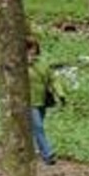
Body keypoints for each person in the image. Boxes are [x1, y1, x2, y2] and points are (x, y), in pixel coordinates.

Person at [25, 36, 63, 164]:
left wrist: (60, 93)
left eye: (33, 48)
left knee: (36, 127)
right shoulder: (19, 64)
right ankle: (48, 154)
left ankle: (28, 148)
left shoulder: (43, 63)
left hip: (41, 101)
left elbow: (53, 79)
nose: (31, 51)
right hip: (28, 102)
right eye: (29, 48)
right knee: (38, 127)